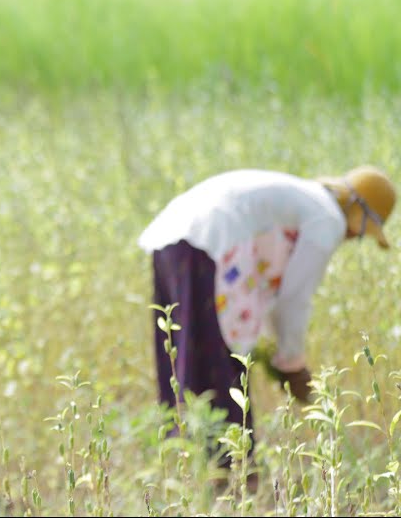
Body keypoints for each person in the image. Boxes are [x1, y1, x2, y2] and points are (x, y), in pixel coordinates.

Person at [138, 165, 395, 478]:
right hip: (205, 241)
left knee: (181, 351)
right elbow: (294, 298)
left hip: (176, 237)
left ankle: (186, 467)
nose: (354, 237)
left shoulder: (305, 198)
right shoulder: (328, 218)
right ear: (357, 211)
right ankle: (231, 476)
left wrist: (278, 351)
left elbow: (278, 292)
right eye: (360, 232)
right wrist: (291, 363)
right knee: (216, 359)